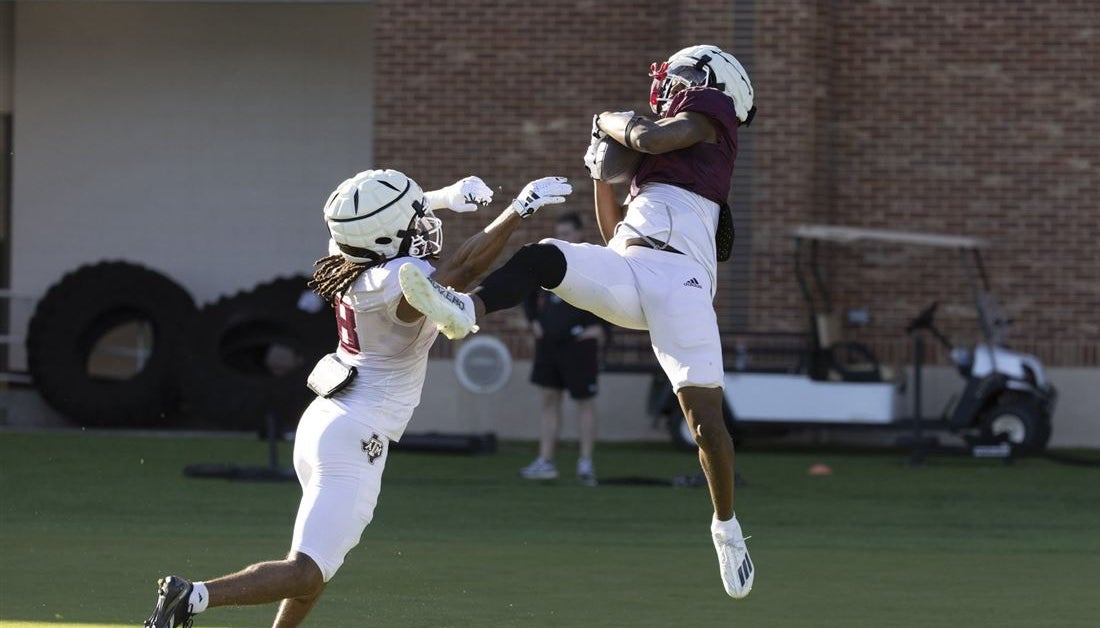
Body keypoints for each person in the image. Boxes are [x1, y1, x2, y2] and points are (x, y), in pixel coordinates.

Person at [399, 44, 757, 599]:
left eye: (679, 74)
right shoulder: (664, 149)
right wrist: (599, 176)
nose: (667, 83)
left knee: (705, 421)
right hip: (630, 266)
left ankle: (726, 528)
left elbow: (647, 137)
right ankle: (466, 309)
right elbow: (613, 234)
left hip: (681, 282)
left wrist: (604, 119)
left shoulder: (712, 117)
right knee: (544, 256)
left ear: (712, 81)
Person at [142, 169, 572, 628]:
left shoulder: (348, 256)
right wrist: (517, 211)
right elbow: (464, 269)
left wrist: (446, 197)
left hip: (326, 421)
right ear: (385, 239)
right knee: (306, 569)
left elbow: (370, 223)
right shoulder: (398, 281)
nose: (423, 224)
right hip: (357, 436)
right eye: (414, 221)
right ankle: (193, 597)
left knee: (318, 563)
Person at [518, 212, 606, 485]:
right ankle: (545, 461)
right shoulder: (551, 261)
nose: (563, 239)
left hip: (580, 345)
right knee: (548, 399)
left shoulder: (593, 263)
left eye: (567, 234)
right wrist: (534, 322)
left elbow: (609, 296)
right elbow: (528, 291)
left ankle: (585, 463)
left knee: (584, 401)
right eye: (559, 234)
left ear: (579, 234)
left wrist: (601, 329)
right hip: (549, 344)